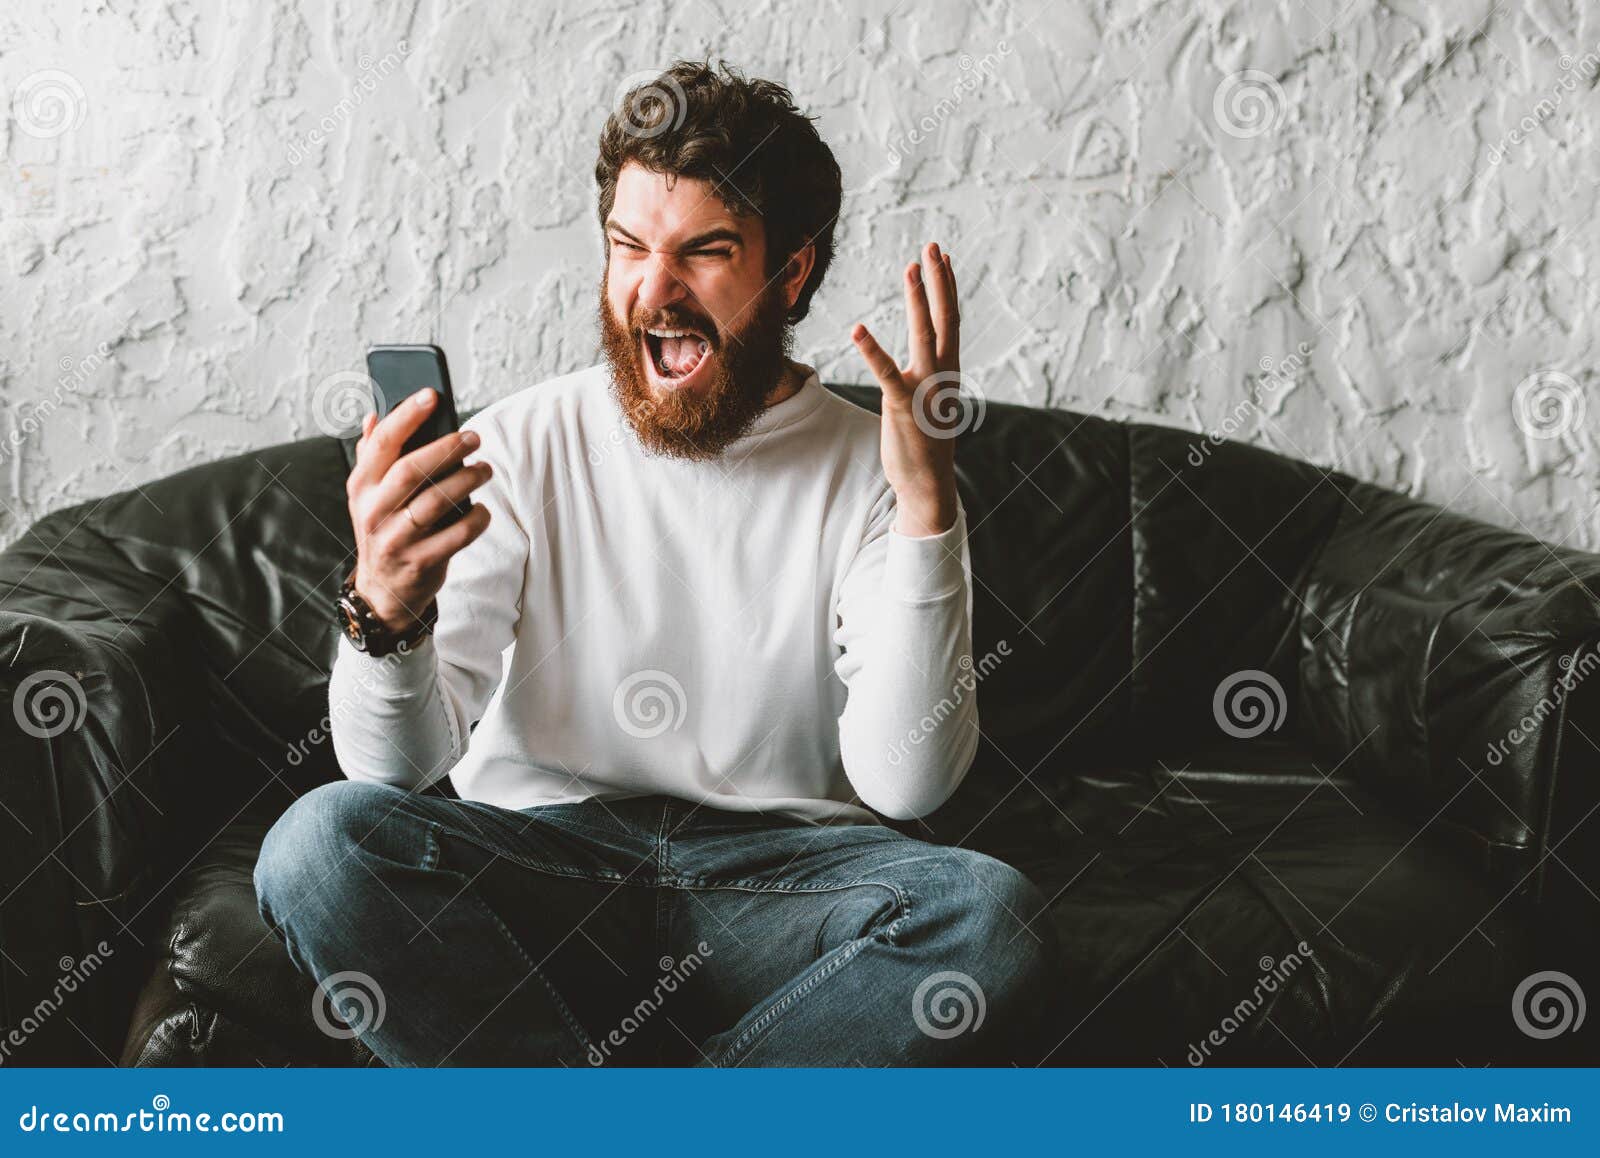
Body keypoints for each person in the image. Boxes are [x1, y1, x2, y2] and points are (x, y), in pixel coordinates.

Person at [255, 59, 1058, 1067]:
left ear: (791, 272)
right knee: (319, 847)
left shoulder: (875, 467)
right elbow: (396, 769)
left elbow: (906, 785)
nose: (654, 290)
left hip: (779, 879)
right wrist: (386, 605)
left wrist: (929, 510)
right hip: (547, 860)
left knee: (988, 917)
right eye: (627, 246)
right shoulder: (519, 445)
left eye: (705, 253)